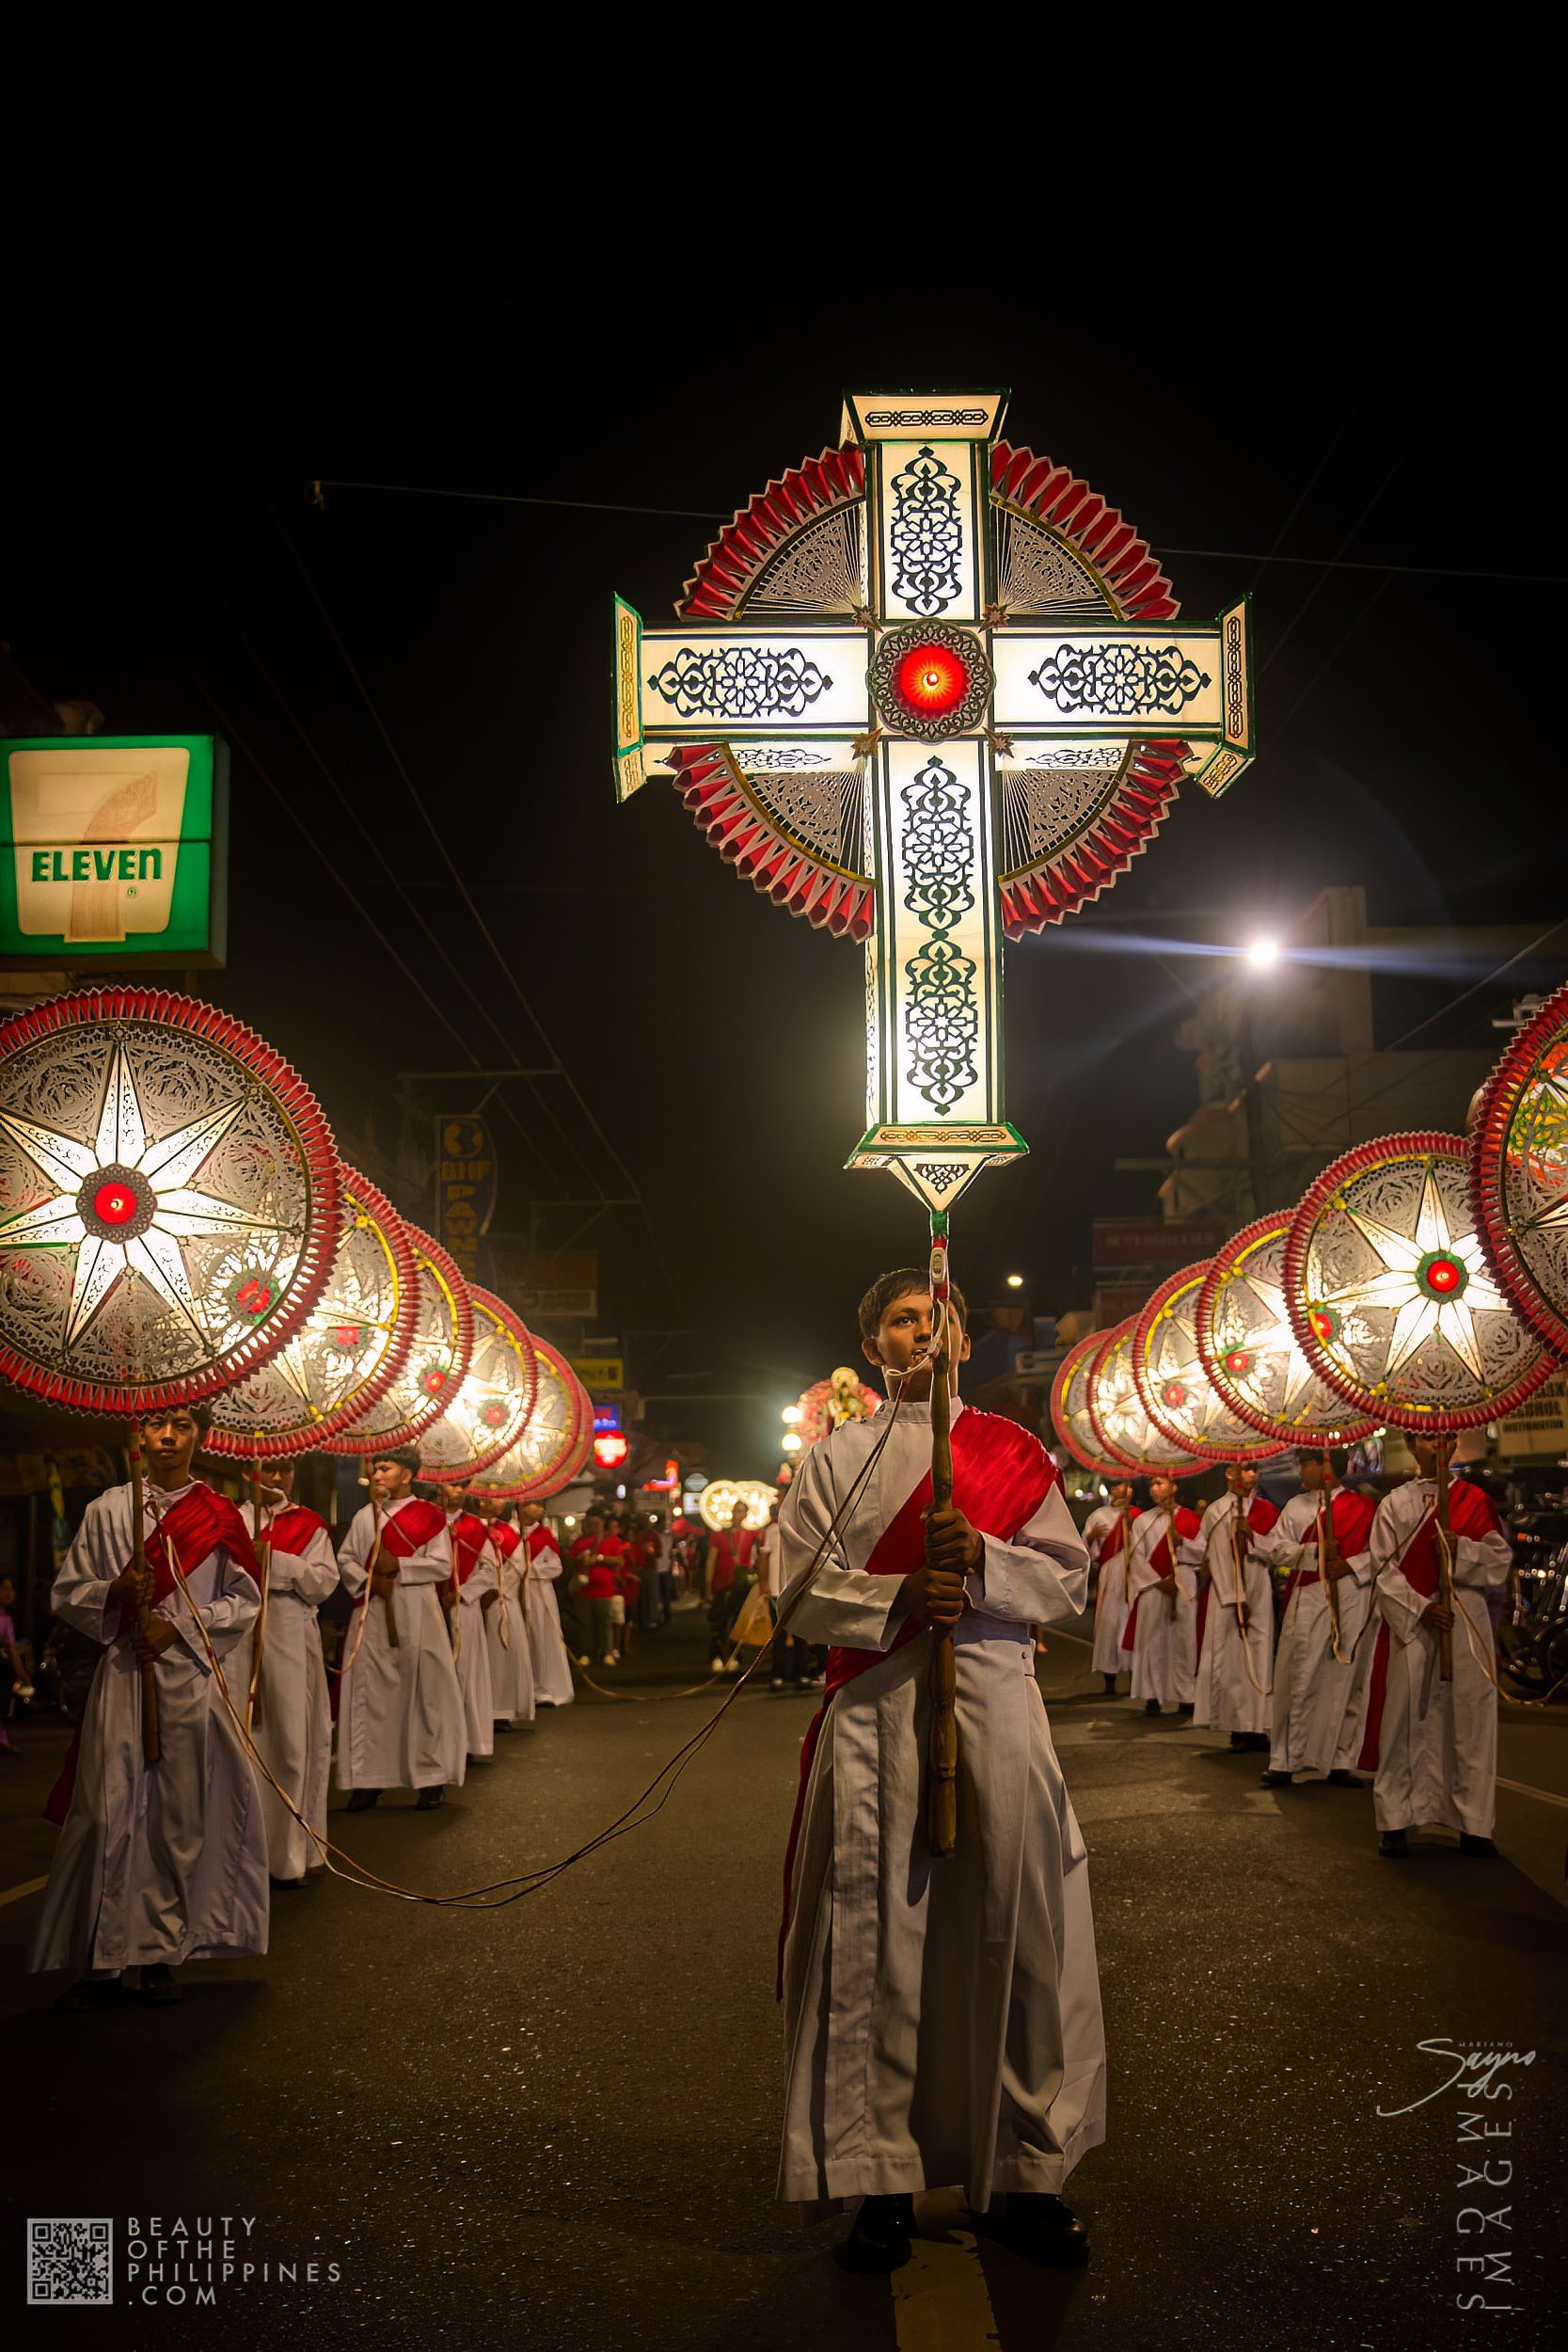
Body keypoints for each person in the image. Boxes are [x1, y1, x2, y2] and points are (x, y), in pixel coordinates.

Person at [778, 1267, 1102, 2275]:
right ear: (875, 1343)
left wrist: (983, 1565)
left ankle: (1022, 2174)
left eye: (936, 1317)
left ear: (960, 1338)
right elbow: (791, 1587)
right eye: (901, 1319)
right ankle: (876, 2177)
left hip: (997, 1705)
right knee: (877, 1945)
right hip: (875, 1710)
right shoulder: (832, 1458)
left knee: (1015, 1925)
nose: (922, 1331)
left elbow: (1065, 1578)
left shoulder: (1011, 1452)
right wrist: (903, 1590)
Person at [30, 1404, 268, 2009]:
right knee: (106, 1811)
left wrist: (180, 1627)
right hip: (120, 1676)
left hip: (187, 1683)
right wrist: (111, 1592)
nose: (167, 1436)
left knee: (175, 1817)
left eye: (183, 1425)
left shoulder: (219, 1514)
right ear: (137, 1434)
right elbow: (67, 1592)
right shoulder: (109, 1509)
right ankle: (102, 1960)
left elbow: (245, 1600)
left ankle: (160, 1954)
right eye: (155, 1424)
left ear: (201, 1436)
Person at [1360, 1441, 1513, 1860]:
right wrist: (1421, 1607)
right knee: (1403, 1719)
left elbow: (1499, 1562)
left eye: (1444, 1438)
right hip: (1415, 1621)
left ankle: (1474, 1822)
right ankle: (1395, 1819)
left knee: (1470, 1719)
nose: (1436, 1446)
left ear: (1454, 1443)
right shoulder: (1394, 1504)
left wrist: (1461, 1548)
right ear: (1412, 1444)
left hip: (1465, 1618)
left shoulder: (1474, 1499)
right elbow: (1382, 1569)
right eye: (1427, 1438)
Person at [226, 1456, 339, 1887]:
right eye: (266, 1469)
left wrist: (275, 1560)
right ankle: (238, 1855)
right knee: (240, 1739)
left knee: (291, 1742)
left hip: (290, 1631)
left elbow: (323, 1584)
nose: (276, 1477)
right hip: (237, 1632)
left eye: (285, 1469)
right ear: (245, 1472)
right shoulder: (230, 1518)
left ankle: (289, 1856)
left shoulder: (309, 1523)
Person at [336, 1448, 464, 1811]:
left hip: (417, 1612)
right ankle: (368, 1780)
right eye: (375, 1469)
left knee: (424, 1693)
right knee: (371, 1694)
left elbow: (441, 1566)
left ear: (406, 1475)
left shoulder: (429, 1516)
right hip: (374, 1613)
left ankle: (429, 1778)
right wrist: (369, 1582)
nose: (377, 1474)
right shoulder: (365, 1517)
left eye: (385, 1468)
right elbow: (346, 1559)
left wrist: (400, 1568)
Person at [1253, 1453, 1378, 1788]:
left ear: (1325, 1467)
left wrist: (1350, 1565)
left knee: (1346, 1678)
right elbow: (1275, 1549)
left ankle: (1341, 1759)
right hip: (1307, 1597)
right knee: (1298, 1678)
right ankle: (1285, 1759)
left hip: (1352, 1597)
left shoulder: (1364, 1507)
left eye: (1306, 1464)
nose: (1300, 1471)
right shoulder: (1295, 1507)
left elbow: (1382, 1552)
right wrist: (1314, 1555)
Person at [1191, 1466, 1280, 1752]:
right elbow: (1214, 1555)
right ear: (1230, 1473)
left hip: (1259, 1587)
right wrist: (1235, 1595)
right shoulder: (1217, 1511)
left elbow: (1276, 1549)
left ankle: (1258, 1726)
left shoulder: (1266, 1510)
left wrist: (1252, 1535)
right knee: (1230, 1660)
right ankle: (1235, 1727)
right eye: (1244, 1469)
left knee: (1259, 1655)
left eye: (1255, 1469)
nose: (1250, 1475)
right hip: (1228, 1592)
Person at [1120, 1475, 1202, 1717]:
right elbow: (1135, 1557)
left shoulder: (1191, 1519)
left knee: (1183, 1642)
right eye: (1152, 1484)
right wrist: (1158, 1581)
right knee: (1152, 1642)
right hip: (1153, 1587)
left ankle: (1186, 1696)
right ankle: (1152, 1696)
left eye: (1161, 1483)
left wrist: (1183, 1543)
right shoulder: (1143, 1521)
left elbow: (1203, 1551)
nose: (1155, 1489)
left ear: (1174, 1486)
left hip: (1183, 1583)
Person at [441, 1485, 498, 1764]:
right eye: (451, 1484)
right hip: (426, 1605)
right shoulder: (426, 1519)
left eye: (462, 1486)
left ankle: (466, 1740)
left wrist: (462, 1593)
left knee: (465, 1673)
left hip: (463, 1609)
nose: (457, 1491)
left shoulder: (475, 1526)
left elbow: (490, 1570)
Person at [473, 1498, 536, 1728]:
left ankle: (502, 1708)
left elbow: (517, 1565)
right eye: (494, 1496)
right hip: (471, 1600)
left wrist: (496, 1591)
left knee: (502, 1653)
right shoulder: (470, 1526)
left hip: (500, 1602)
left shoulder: (507, 1531)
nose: (500, 1501)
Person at [1084, 1480, 1139, 1694]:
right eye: (1119, 1486)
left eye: (1128, 1485)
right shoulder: (1098, 1515)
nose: (1124, 1489)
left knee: (1131, 1622)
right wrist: (1091, 1538)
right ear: (1113, 1489)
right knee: (1110, 1623)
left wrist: (1132, 1524)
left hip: (1134, 1574)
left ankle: (1135, 1675)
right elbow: (1086, 1549)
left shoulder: (1137, 1515)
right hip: (1110, 1574)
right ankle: (1110, 1678)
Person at [517, 1502, 575, 1706]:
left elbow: (556, 1567)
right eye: (535, 1504)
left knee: (540, 1637)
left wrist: (530, 1571)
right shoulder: (511, 1531)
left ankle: (544, 1686)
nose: (540, 1509)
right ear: (522, 1507)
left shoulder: (544, 1535)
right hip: (515, 1591)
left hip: (539, 1592)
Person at [705, 1502, 753, 1674]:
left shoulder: (752, 1535)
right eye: (735, 1510)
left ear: (746, 1514)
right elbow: (711, 1560)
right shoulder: (719, 1536)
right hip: (721, 1584)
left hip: (742, 1585)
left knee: (738, 1623)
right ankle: (716, 1656)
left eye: (741, 1511)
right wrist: (708, 1586)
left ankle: (735, 1656)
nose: (737, 1514)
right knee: (719, 1621)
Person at [572, 1514, 624, 1668]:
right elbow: (569, 1560)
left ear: (603, 1524)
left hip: (604, 1589)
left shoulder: (611, 1541)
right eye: (591, 1522)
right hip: (583, 1589)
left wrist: (600, 1558)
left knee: (605, 1622)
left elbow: (619, 1560)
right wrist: (580, 1558)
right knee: (585, 1624)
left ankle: (607, 1652)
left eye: (598, 1522)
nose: (594, 1526)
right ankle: (586, 1653)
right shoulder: (579, 1542)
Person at [0, 1572, 24, 1755]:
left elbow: (12, 1649)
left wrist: (20, 1673)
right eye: (3, 1589)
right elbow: (11, 1650)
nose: (9, 1593)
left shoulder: (6, 1619)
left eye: (11, 1589)